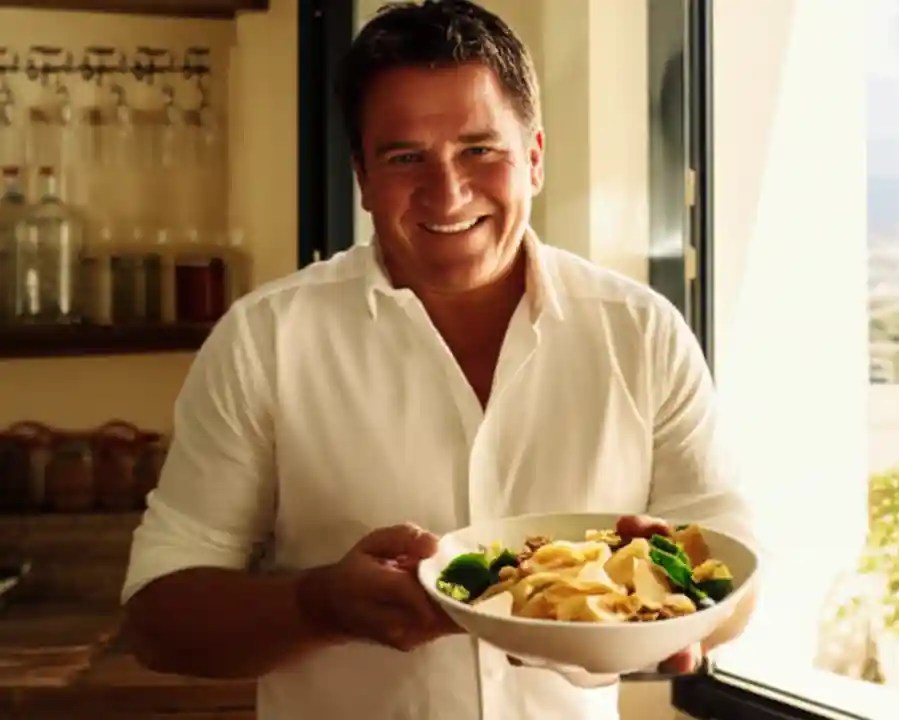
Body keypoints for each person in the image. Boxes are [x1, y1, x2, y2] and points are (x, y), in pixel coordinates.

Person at [119, 1, 755, 718]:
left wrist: (676, 603)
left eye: (480, 149)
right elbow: (156, 618)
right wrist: (319, 604)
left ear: (535, 157)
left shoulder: (641, 332)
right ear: (361, 176)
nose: (447, 191)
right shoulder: (265, 339)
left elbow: (733, 576)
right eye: (404, 157)